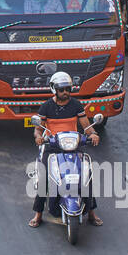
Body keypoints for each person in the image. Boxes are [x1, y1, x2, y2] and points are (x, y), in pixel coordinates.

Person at [29, 71, 102, 228]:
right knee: (44, 178)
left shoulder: (75, 104)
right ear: (54, 89)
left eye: (68, 89)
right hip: (52, 146)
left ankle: (91, 213)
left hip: (73, 145)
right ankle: (38, 214)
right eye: (61, 89)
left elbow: (86, 125)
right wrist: (38, 137)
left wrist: (94, 134)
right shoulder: (46, 106)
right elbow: (37, 129)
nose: (65, 92)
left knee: (86, 175)